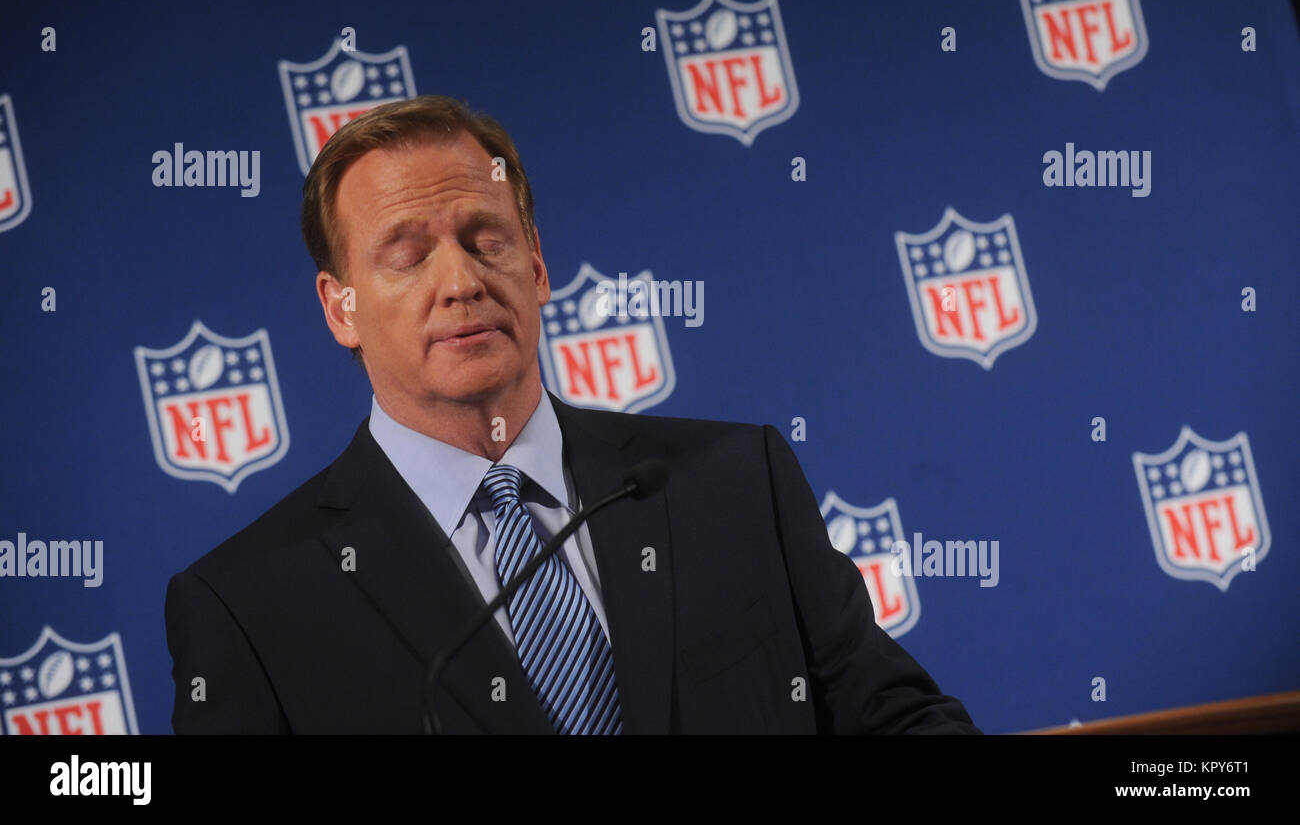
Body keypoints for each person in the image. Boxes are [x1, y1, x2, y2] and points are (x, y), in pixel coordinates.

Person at [164, 95, 980, 734]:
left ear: (539, 263)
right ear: (339, 308)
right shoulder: (251, 603)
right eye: (408, 256)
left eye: (486, 238)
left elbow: (894, 719)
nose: (461, 281)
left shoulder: (737, 485)